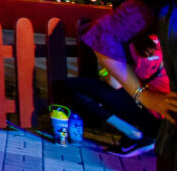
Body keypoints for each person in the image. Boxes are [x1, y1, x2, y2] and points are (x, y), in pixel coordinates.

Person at [77, 0, 177, 171]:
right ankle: (138, 135)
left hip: (156, 114)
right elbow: (104, 35)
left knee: (82, 88)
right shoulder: (163, 4)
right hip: (166, 121)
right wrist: (144, 95)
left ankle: (138, 136)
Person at [54, 27, 168, 156]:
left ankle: (136, 135)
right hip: (168, 119)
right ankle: (143, 135)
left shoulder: (134, 44)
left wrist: (107, 70)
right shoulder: (166, 40)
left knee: (74, 86)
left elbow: (115, 84)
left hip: (154, 112)